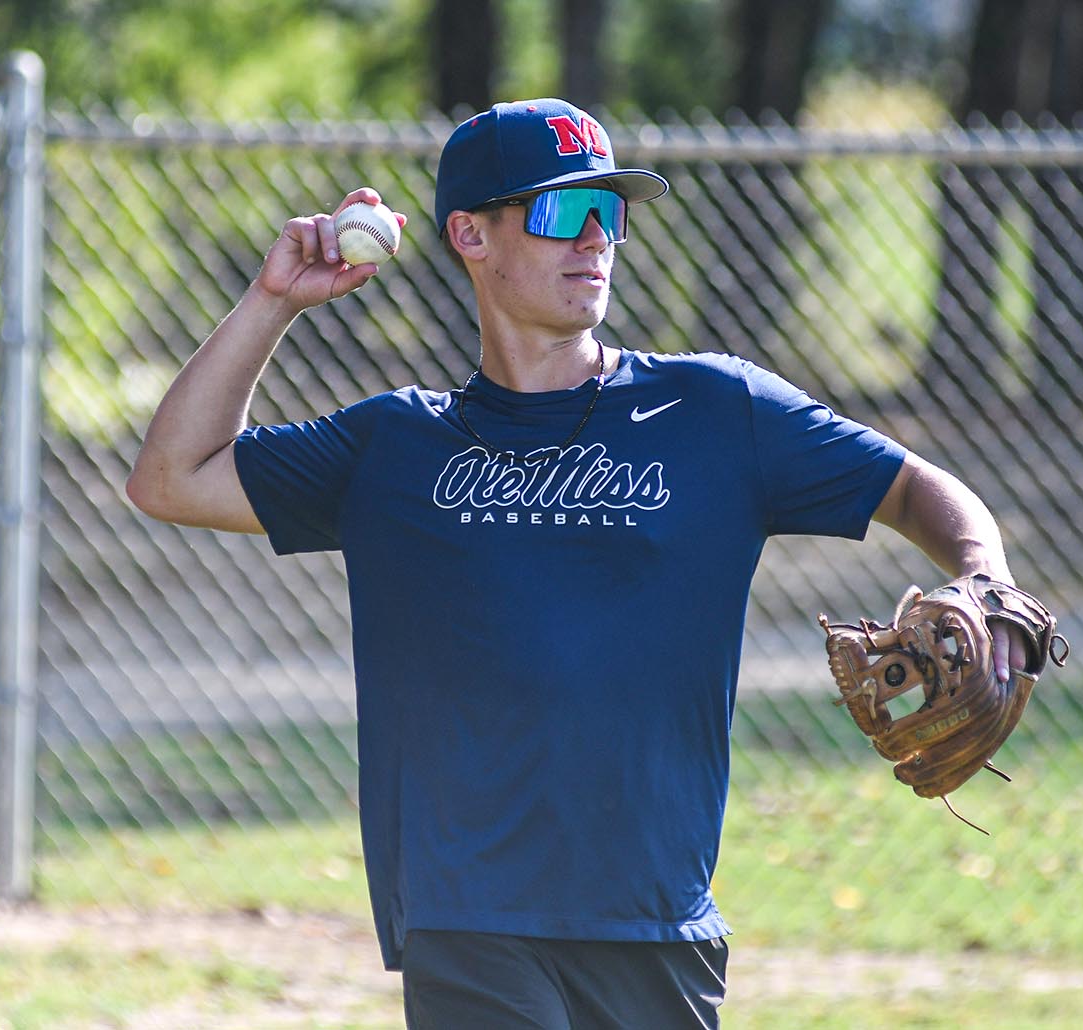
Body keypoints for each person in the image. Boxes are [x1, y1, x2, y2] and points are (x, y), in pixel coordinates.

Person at [127, 97, 1029, 1029]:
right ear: (470, 235)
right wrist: (273, 300)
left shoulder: (718, 411)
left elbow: (915, 487)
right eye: (561, 212)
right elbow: (170, 478)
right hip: (469, 917)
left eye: (611, 211)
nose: (594, 238)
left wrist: (982, 578)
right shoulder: (394, 444)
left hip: (658, 919)